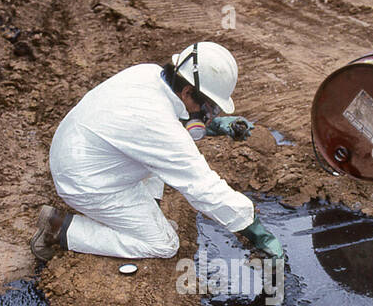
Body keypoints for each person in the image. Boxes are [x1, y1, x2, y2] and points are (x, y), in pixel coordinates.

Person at [31, 42, 284, 262]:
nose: (209, 114)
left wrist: (215, 127)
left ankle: (137, 214)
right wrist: (258, 234)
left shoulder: (150, 74)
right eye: (208, 107)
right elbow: (204, 188)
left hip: (81, 149)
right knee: (164, 244)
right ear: (186, 91)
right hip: (85, 180)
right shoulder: (156, 123)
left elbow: (167, 124)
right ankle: (60, 229)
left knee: (160, 164)